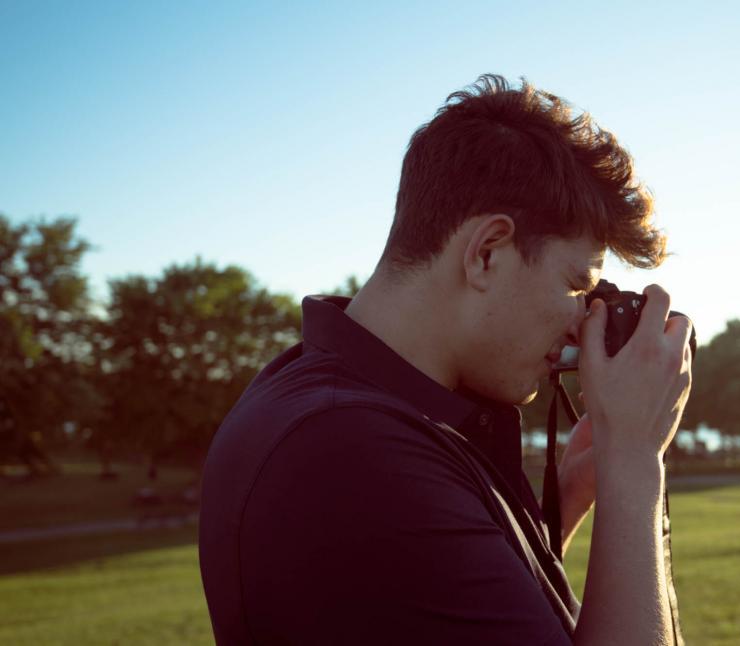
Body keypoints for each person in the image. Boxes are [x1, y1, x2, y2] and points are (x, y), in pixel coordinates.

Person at [199, 73, 693, 645]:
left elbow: (443, 598)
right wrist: (633, 458)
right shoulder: (348, 450)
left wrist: (573, 494)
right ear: (487, 253)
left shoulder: (327, 400)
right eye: (576, 285)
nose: (582, 321)